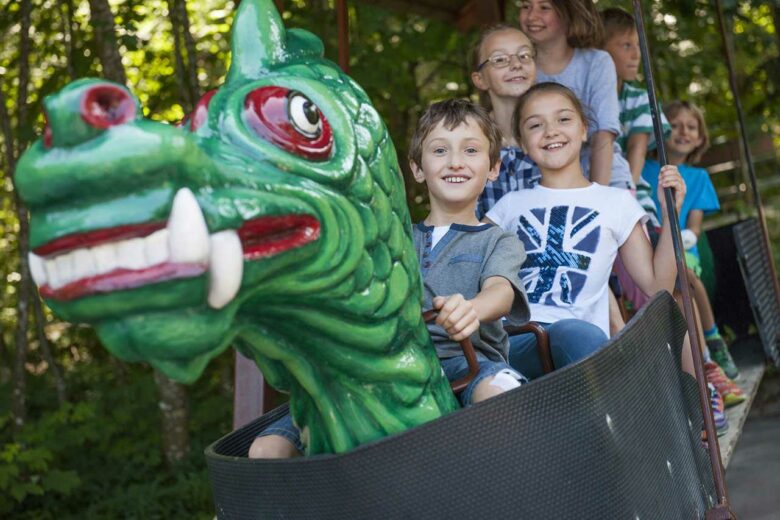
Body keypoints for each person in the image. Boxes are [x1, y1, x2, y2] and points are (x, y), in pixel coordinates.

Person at [247, 99, 531, 458]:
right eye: (440, 150)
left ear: (493, 167)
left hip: (461, 360)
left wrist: (472, 308)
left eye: (471, 150)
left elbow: (501, 291)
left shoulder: (497, 240)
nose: (455, 161)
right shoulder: (391, 238)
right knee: (266, 449)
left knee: (504, 392)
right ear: (416, 168)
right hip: (379, 368)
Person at [485, 83, 689, 372]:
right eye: (535, 125)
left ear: (584, 129)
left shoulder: (616, 203)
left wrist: (671, 216)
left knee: (578, 334)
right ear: (522, 142)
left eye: (563, 119)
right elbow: (468, 257)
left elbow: (658, 287)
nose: (551, 130)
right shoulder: (507, 206)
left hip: (580, 342)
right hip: (517, 336)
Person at [642, 100, 743, 389]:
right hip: (651, 246)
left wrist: (686, 238)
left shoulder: (699, 178)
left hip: (684, 248)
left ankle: (711, 339)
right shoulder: (644, 170)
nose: (683, 132)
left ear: (700, 137)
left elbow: (694, 226)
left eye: (691, 127)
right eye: (674, 126)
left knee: (685, 273)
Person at [518, 0, 632, 191]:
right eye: (525, 6)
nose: (531, 16)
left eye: (544, 7)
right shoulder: (518, 68)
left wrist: (597, 195)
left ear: (568, 14)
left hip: (605, 178)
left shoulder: (596, 62)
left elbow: (604, 133)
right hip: (543, 183)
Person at [469, 24, 539, 218]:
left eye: (524, 55)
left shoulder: (554, 136)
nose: (516, 64)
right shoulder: (470, 143)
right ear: (480, 79)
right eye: (500, 59)